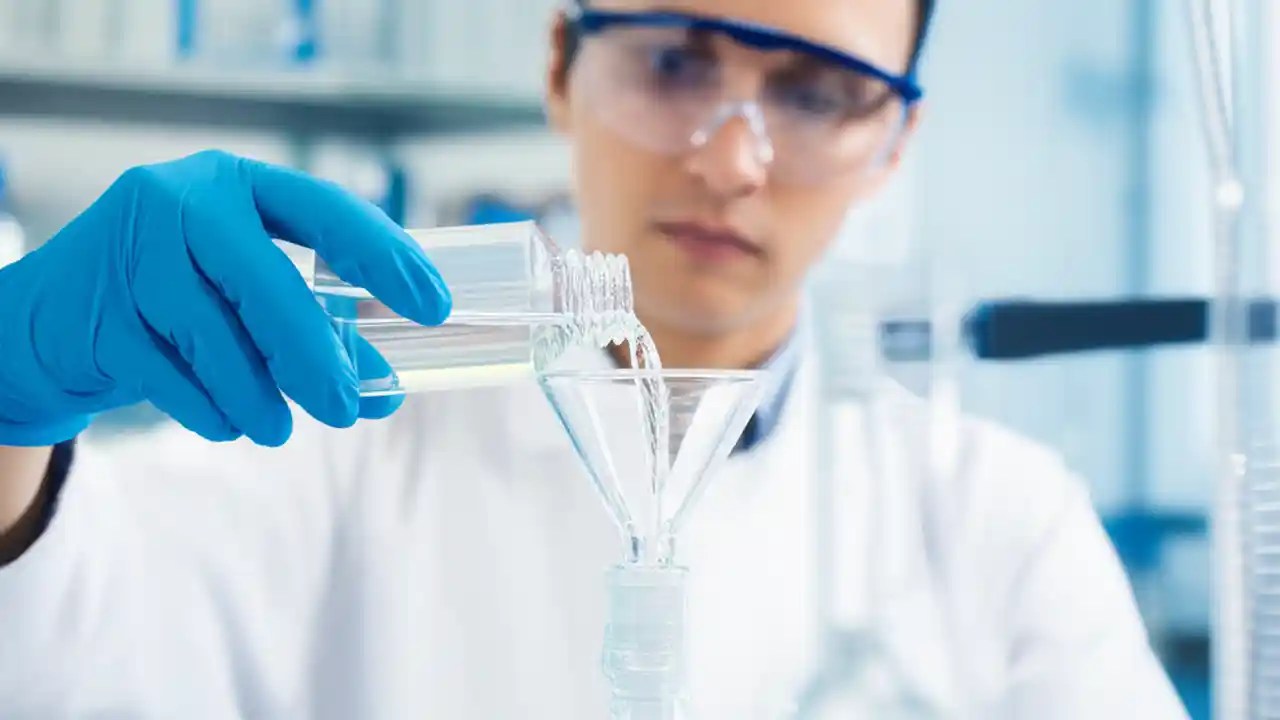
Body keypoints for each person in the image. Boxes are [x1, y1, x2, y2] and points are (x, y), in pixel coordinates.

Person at [0, 0, 1189, 717]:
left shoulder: (1001, 522)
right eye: (676, 62)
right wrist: (8, 395)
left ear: (895, 145)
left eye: (820, 93)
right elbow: (54, 647)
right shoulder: (329, 436)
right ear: (562, 65)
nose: (730, 161)